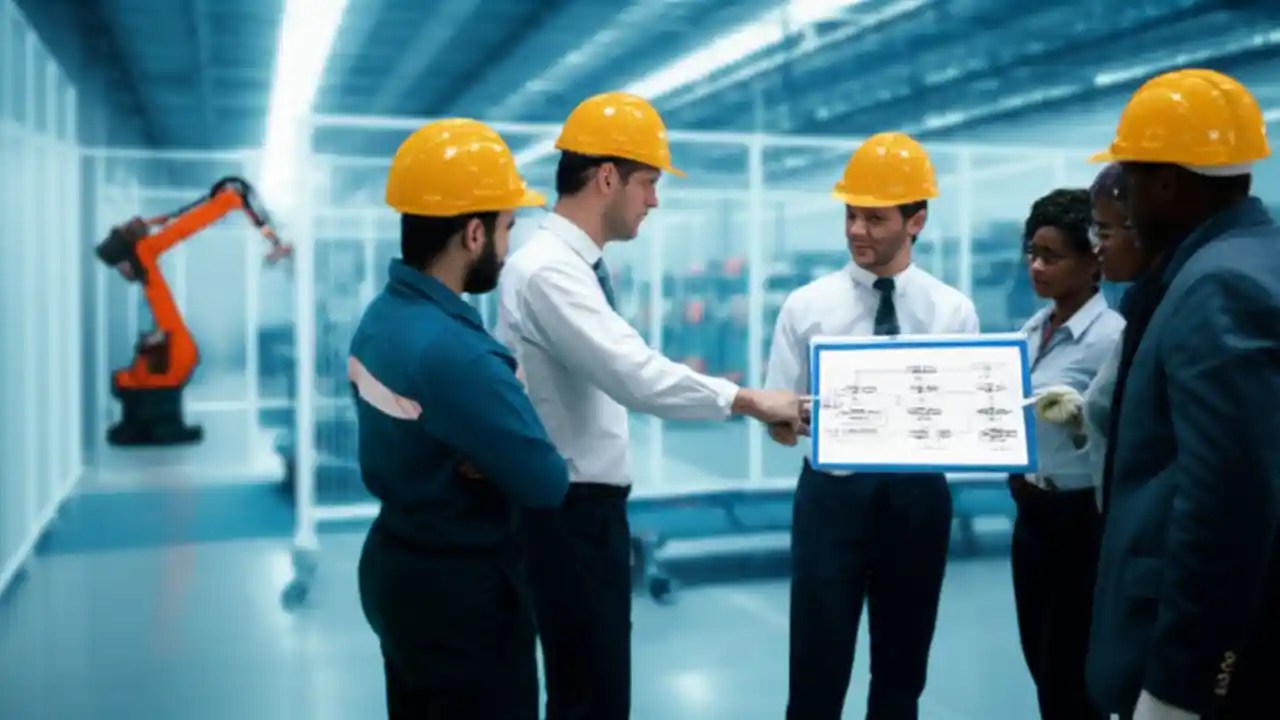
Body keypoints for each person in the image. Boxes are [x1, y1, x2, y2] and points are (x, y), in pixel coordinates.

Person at [494, 90, 804, 720]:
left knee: (594, 687)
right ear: (607, 177)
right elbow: (634, 375)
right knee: (591, 695)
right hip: (567, 516)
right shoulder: (549, 272)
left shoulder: (570, 266)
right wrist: (748, 400)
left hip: (582, 512)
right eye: (649, 183)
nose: (655, 200)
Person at [349, 118, 570, 720]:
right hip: (461, 600)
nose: (508, 241)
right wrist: (497, 450)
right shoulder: (459, 355)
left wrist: (477, 450)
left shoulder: (380, 319)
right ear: (474, 234)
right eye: (505, 226)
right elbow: (546, 480)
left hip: (397, 568)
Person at [1083, 68, 1280, 720]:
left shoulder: (1217, 286)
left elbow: (1229, 497)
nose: (1126, 200)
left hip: (1202, 666)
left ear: (1167, 184)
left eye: (1132, 180)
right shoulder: (1251, 257)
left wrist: (1182, 687)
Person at [763, 131, 980, 720]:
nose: (858, 231)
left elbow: (962, 418)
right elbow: (777, 420)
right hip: (832, 500)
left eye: (875, 219)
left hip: (917, 501)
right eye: (851, 216)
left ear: (917, 220)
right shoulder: (805, 308)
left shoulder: (952, 311)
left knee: (902, 673)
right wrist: (798, 419)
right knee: (815, 670)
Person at [1008, 188, 1124, 720]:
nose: (1036, 266)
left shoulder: (1112, 338)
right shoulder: (1031, 331)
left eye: (1051, 256)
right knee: (1038, 662)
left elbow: (1125, 441)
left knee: (1070, 676)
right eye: (1031, 253)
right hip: (1031, 514)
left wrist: (1082, 425)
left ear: (1091, 260)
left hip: (1082, 522)